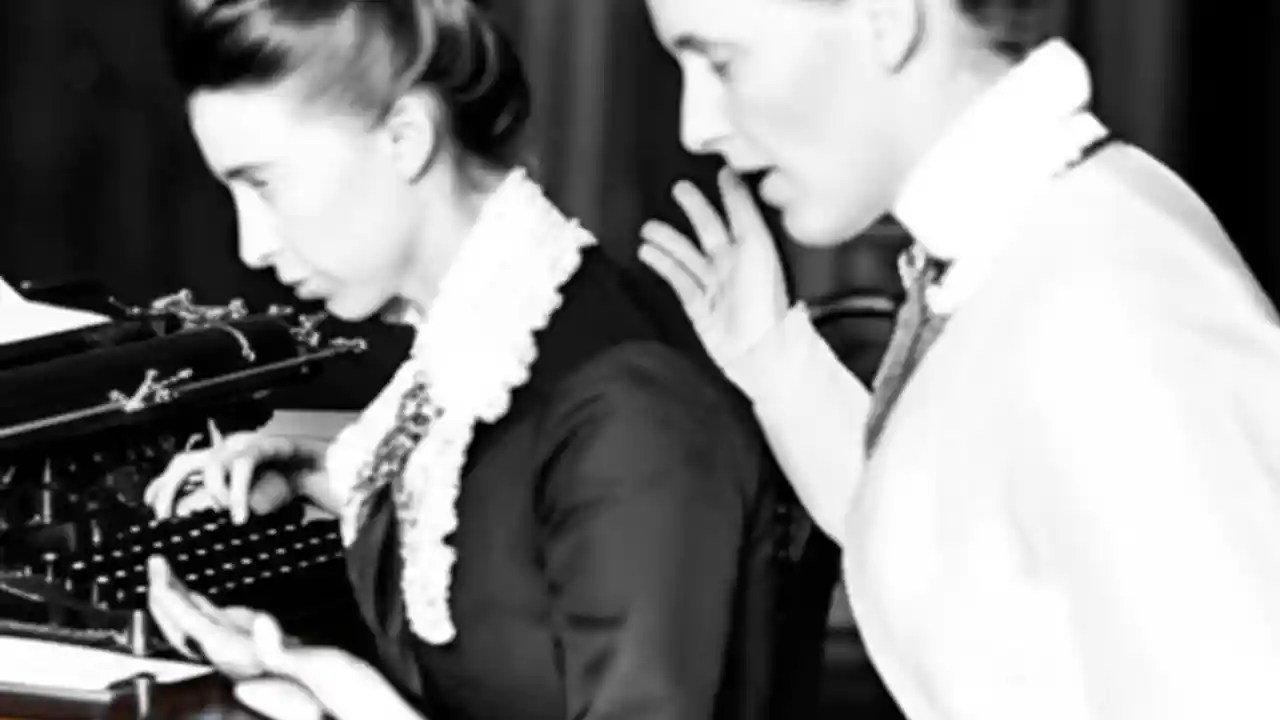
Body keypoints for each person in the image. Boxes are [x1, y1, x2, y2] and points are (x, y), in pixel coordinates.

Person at [140, 1, 793, 718]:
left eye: (263, 183)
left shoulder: (627, 406)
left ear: (404, 137)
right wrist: (315, 476)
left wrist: (332, 688)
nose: (252, 244)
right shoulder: (489, 355)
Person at [638, 0, 1280, 718]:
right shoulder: (1031, 240)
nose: (698, 125)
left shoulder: (1104, 295)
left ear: (887, 17)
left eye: (723, 61)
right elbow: (977, 584)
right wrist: (775, 359)